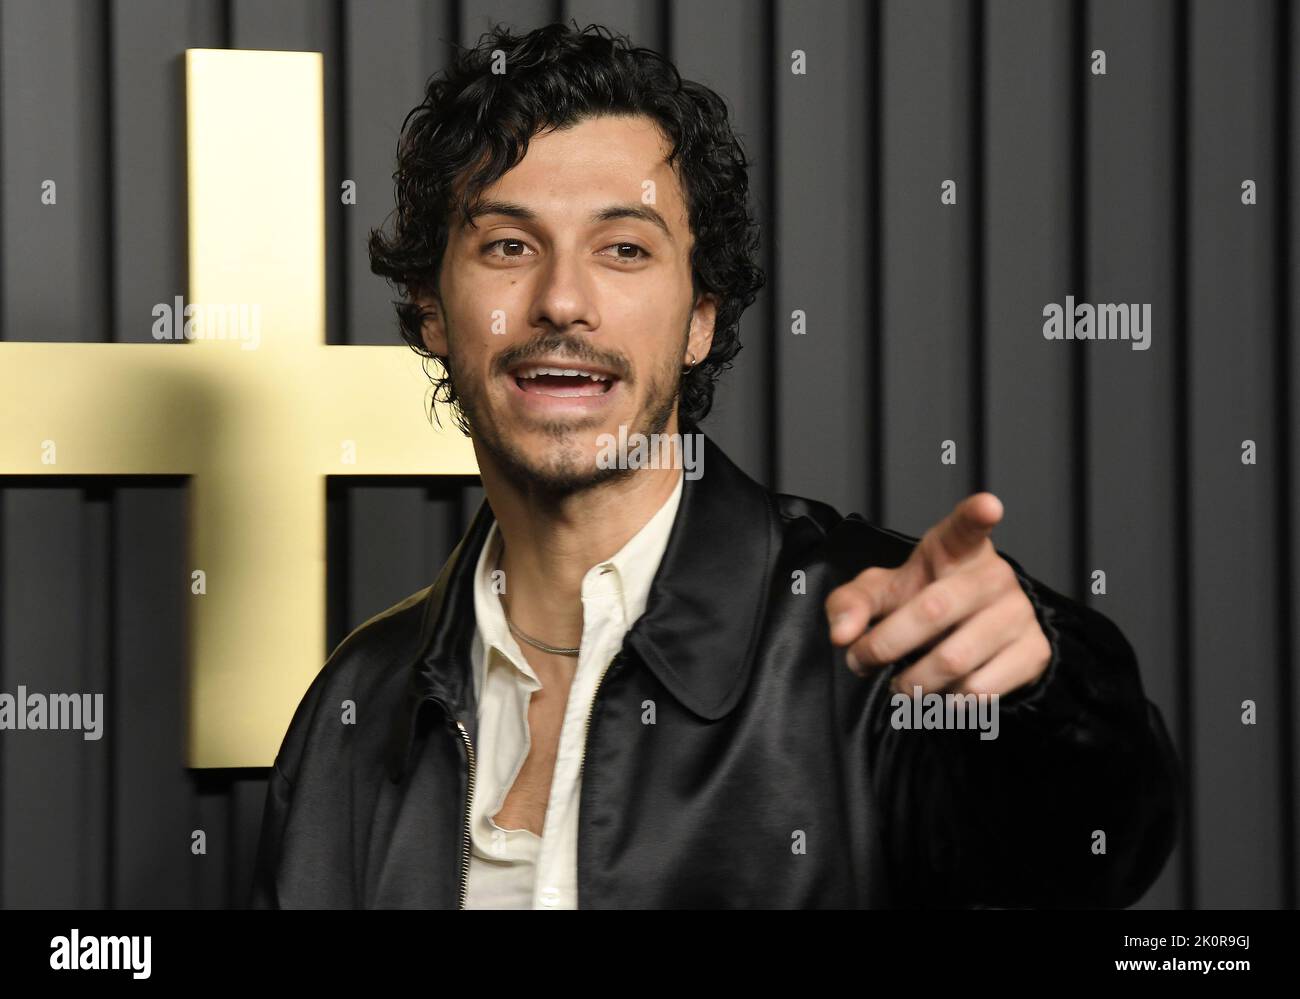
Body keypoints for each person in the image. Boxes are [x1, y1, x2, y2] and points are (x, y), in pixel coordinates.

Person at [250, 21, 1181, 909]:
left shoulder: (884, 644)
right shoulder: (353, 705)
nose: (563, 300)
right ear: (431, 310)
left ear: (700, 318)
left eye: (623, 249)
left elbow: (1097, 845)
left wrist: (1049, 693)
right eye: (508, 245)